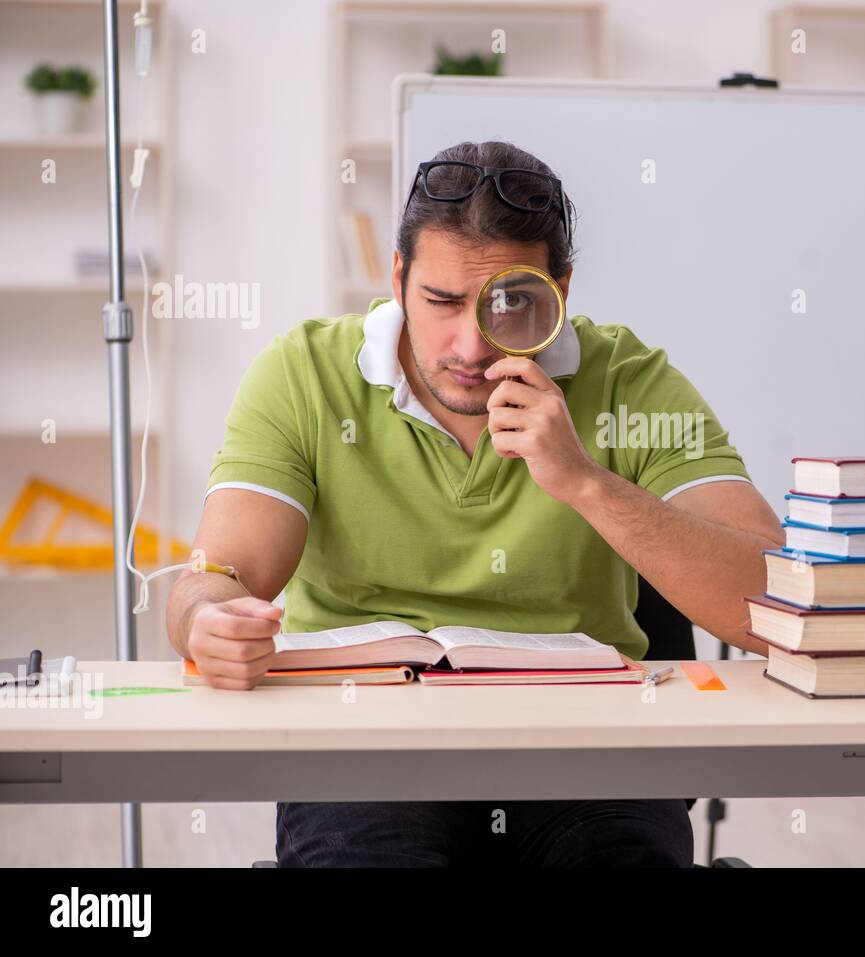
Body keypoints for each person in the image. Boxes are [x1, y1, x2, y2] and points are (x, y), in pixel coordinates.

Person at [165, 140, 783, 866]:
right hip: (366, 745)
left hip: (587, 746)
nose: (470, 344)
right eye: (442, 301)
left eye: (512, 303)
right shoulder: (302, 376)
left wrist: (585, 480)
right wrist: (205, 622)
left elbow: (778, 603)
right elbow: (212, 579)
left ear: (563, 290)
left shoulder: (626, 380)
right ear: (398, 279)